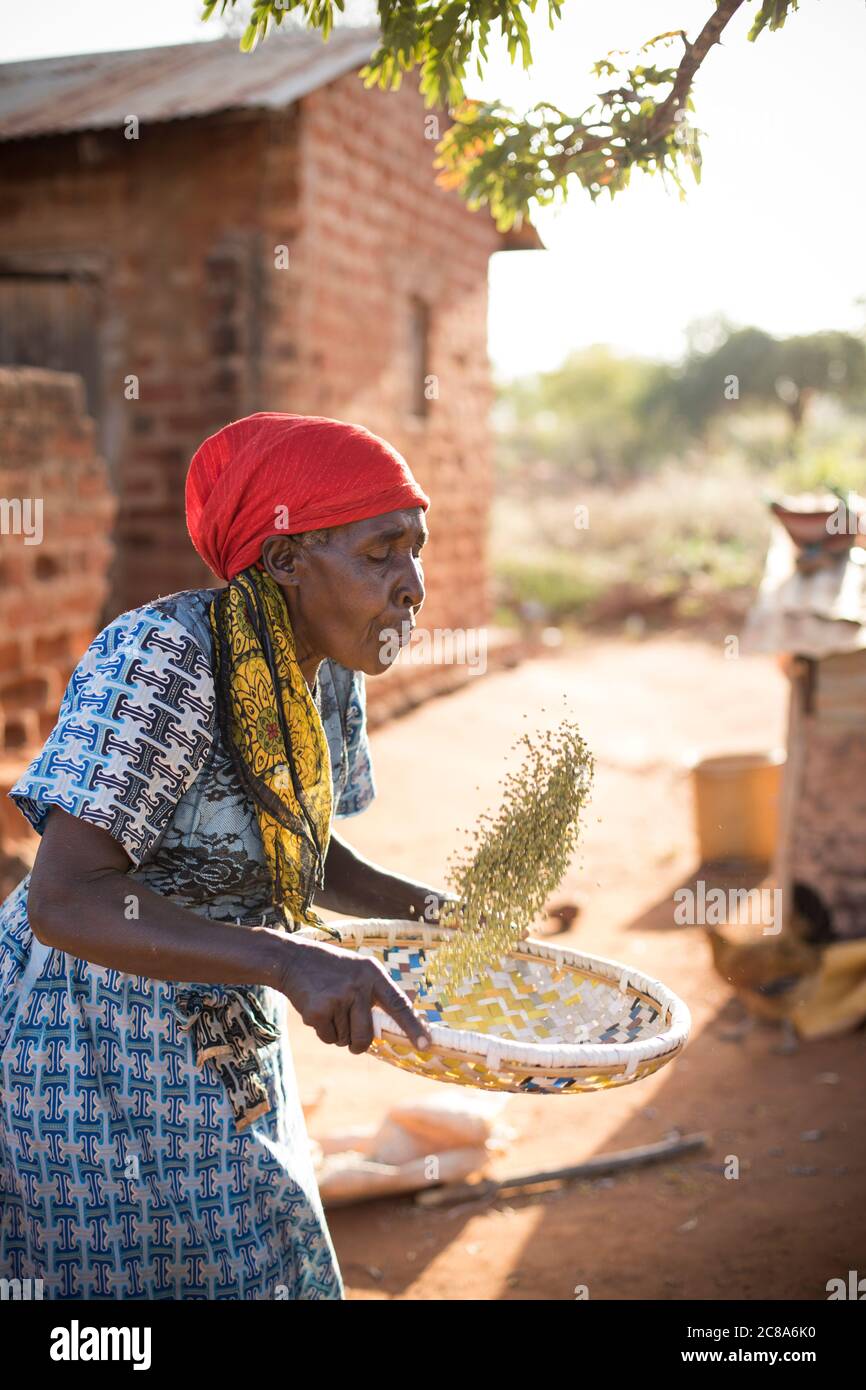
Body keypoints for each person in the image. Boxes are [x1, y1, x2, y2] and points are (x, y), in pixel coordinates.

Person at [0, 412, 458, 1300]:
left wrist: (434, 911)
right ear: (284, 560)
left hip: (228, 1027)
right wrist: (289, 959)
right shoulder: (166, 657)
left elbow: (298, 850)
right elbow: (71, 898)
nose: (413, 587)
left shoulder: (327, 666)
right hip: (90, 1044)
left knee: (261, 1241)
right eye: (381, 552)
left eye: (418, 550)